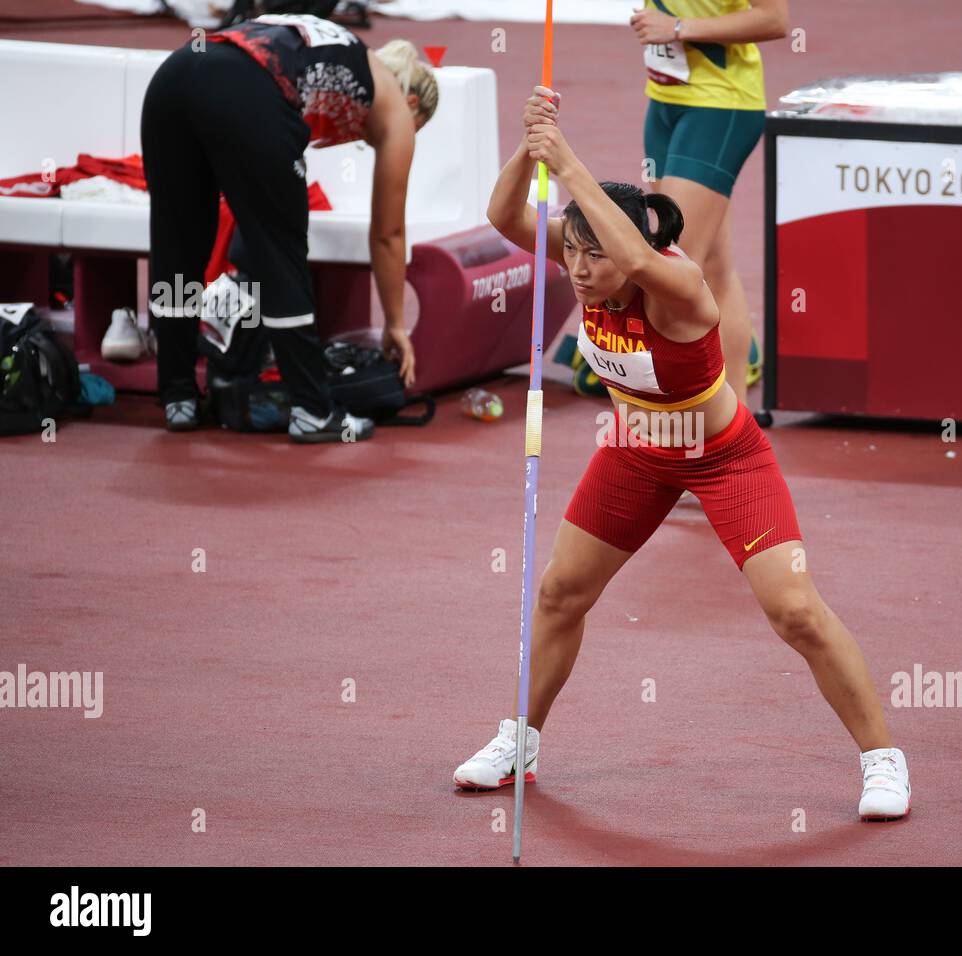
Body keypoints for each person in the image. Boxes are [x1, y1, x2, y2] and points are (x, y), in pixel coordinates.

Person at [453, 87, 912, 822]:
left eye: (592, 258)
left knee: (794, 609)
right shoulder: (588, 264)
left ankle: (882, 759)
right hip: (636, 455)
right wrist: (533, 140)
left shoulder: (675, 287)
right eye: (569, 253)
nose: (576, 271)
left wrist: (566, 161)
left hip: (725, 459)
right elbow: (506, 216)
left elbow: (631, 251)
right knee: (558, 594)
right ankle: (521, 740)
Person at [141, 13, 432, 441]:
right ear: (413, 107)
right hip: (246, 85)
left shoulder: (338, 57)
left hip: (177, 72)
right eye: (418, 129)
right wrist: (393, 324)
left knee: (177, 243)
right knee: (282, 254)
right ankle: (312, 410)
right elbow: (388, 234)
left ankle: (178, 396)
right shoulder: (391, 101)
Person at [630, 0, 789, 402]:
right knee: (714, 271)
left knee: (671, 269)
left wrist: (678, 27)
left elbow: (774, 19)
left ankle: (690, 414)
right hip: (664, 101)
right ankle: (737, 427)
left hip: (719, 107)